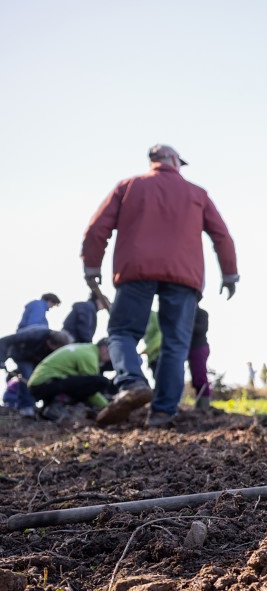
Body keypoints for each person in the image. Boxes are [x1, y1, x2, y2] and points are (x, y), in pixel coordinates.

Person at [82, 143, 239, 429]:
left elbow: (96, 229)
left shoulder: (129, 187)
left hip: (135, 271)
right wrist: (230, 274)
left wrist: (92, 267)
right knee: (175, 343)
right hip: (184, 275)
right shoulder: (197, 193)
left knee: (122, 332)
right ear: (174, 161)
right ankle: (163, 412)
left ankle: (132, 383)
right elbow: (222, 236)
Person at [28, 338, 113, 422]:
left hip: (41, 384)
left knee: (81, 384)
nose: (110, 358)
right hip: (46, 384)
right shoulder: (89, 356)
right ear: (105, 348)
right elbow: (90, 390)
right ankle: (56, 407)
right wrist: (107, 406)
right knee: (101, 381)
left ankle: (50, 408)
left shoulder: (85, 349)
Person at [0, 328, 73, 417]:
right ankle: (27, 406)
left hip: (38, 361)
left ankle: (41, 406)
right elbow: (6, 340)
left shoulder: (57, 351)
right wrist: (1, 359)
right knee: (27, 375)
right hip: (23, 356)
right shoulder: (35, 334)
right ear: (50, 342)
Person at [188, 304, 212, 409]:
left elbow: (202, 329)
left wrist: (187, 323)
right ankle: (199, 405)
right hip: (190, 349)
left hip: (199, 347)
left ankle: (204, 405)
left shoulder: (202, 313)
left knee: (200, 376)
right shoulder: (186, 313)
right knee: (195, 377)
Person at [142, 310, 162, 376]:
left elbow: (160, 334)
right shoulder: (139, 318)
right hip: (152, 359)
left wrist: (148, 350)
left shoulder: (152, 315)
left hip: (159, 356)